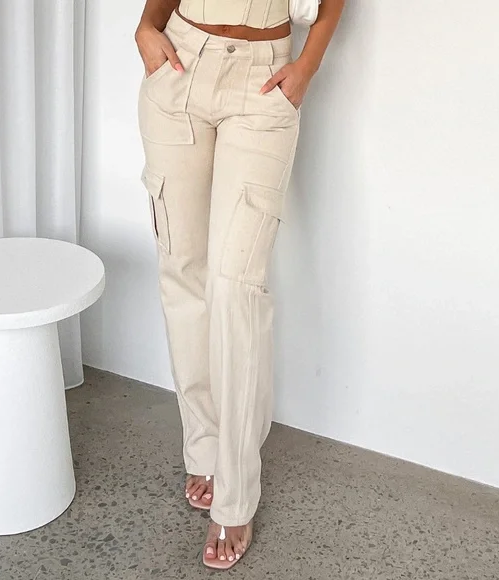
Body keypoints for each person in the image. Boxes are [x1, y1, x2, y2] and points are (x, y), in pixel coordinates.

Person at [135, 0, 344, 570]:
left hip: (263, 80)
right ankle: (204, 447)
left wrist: (307, 67)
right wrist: (146, 26)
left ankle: (236, 490)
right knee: (184, 272)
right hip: (180, 65)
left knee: (236, 287)